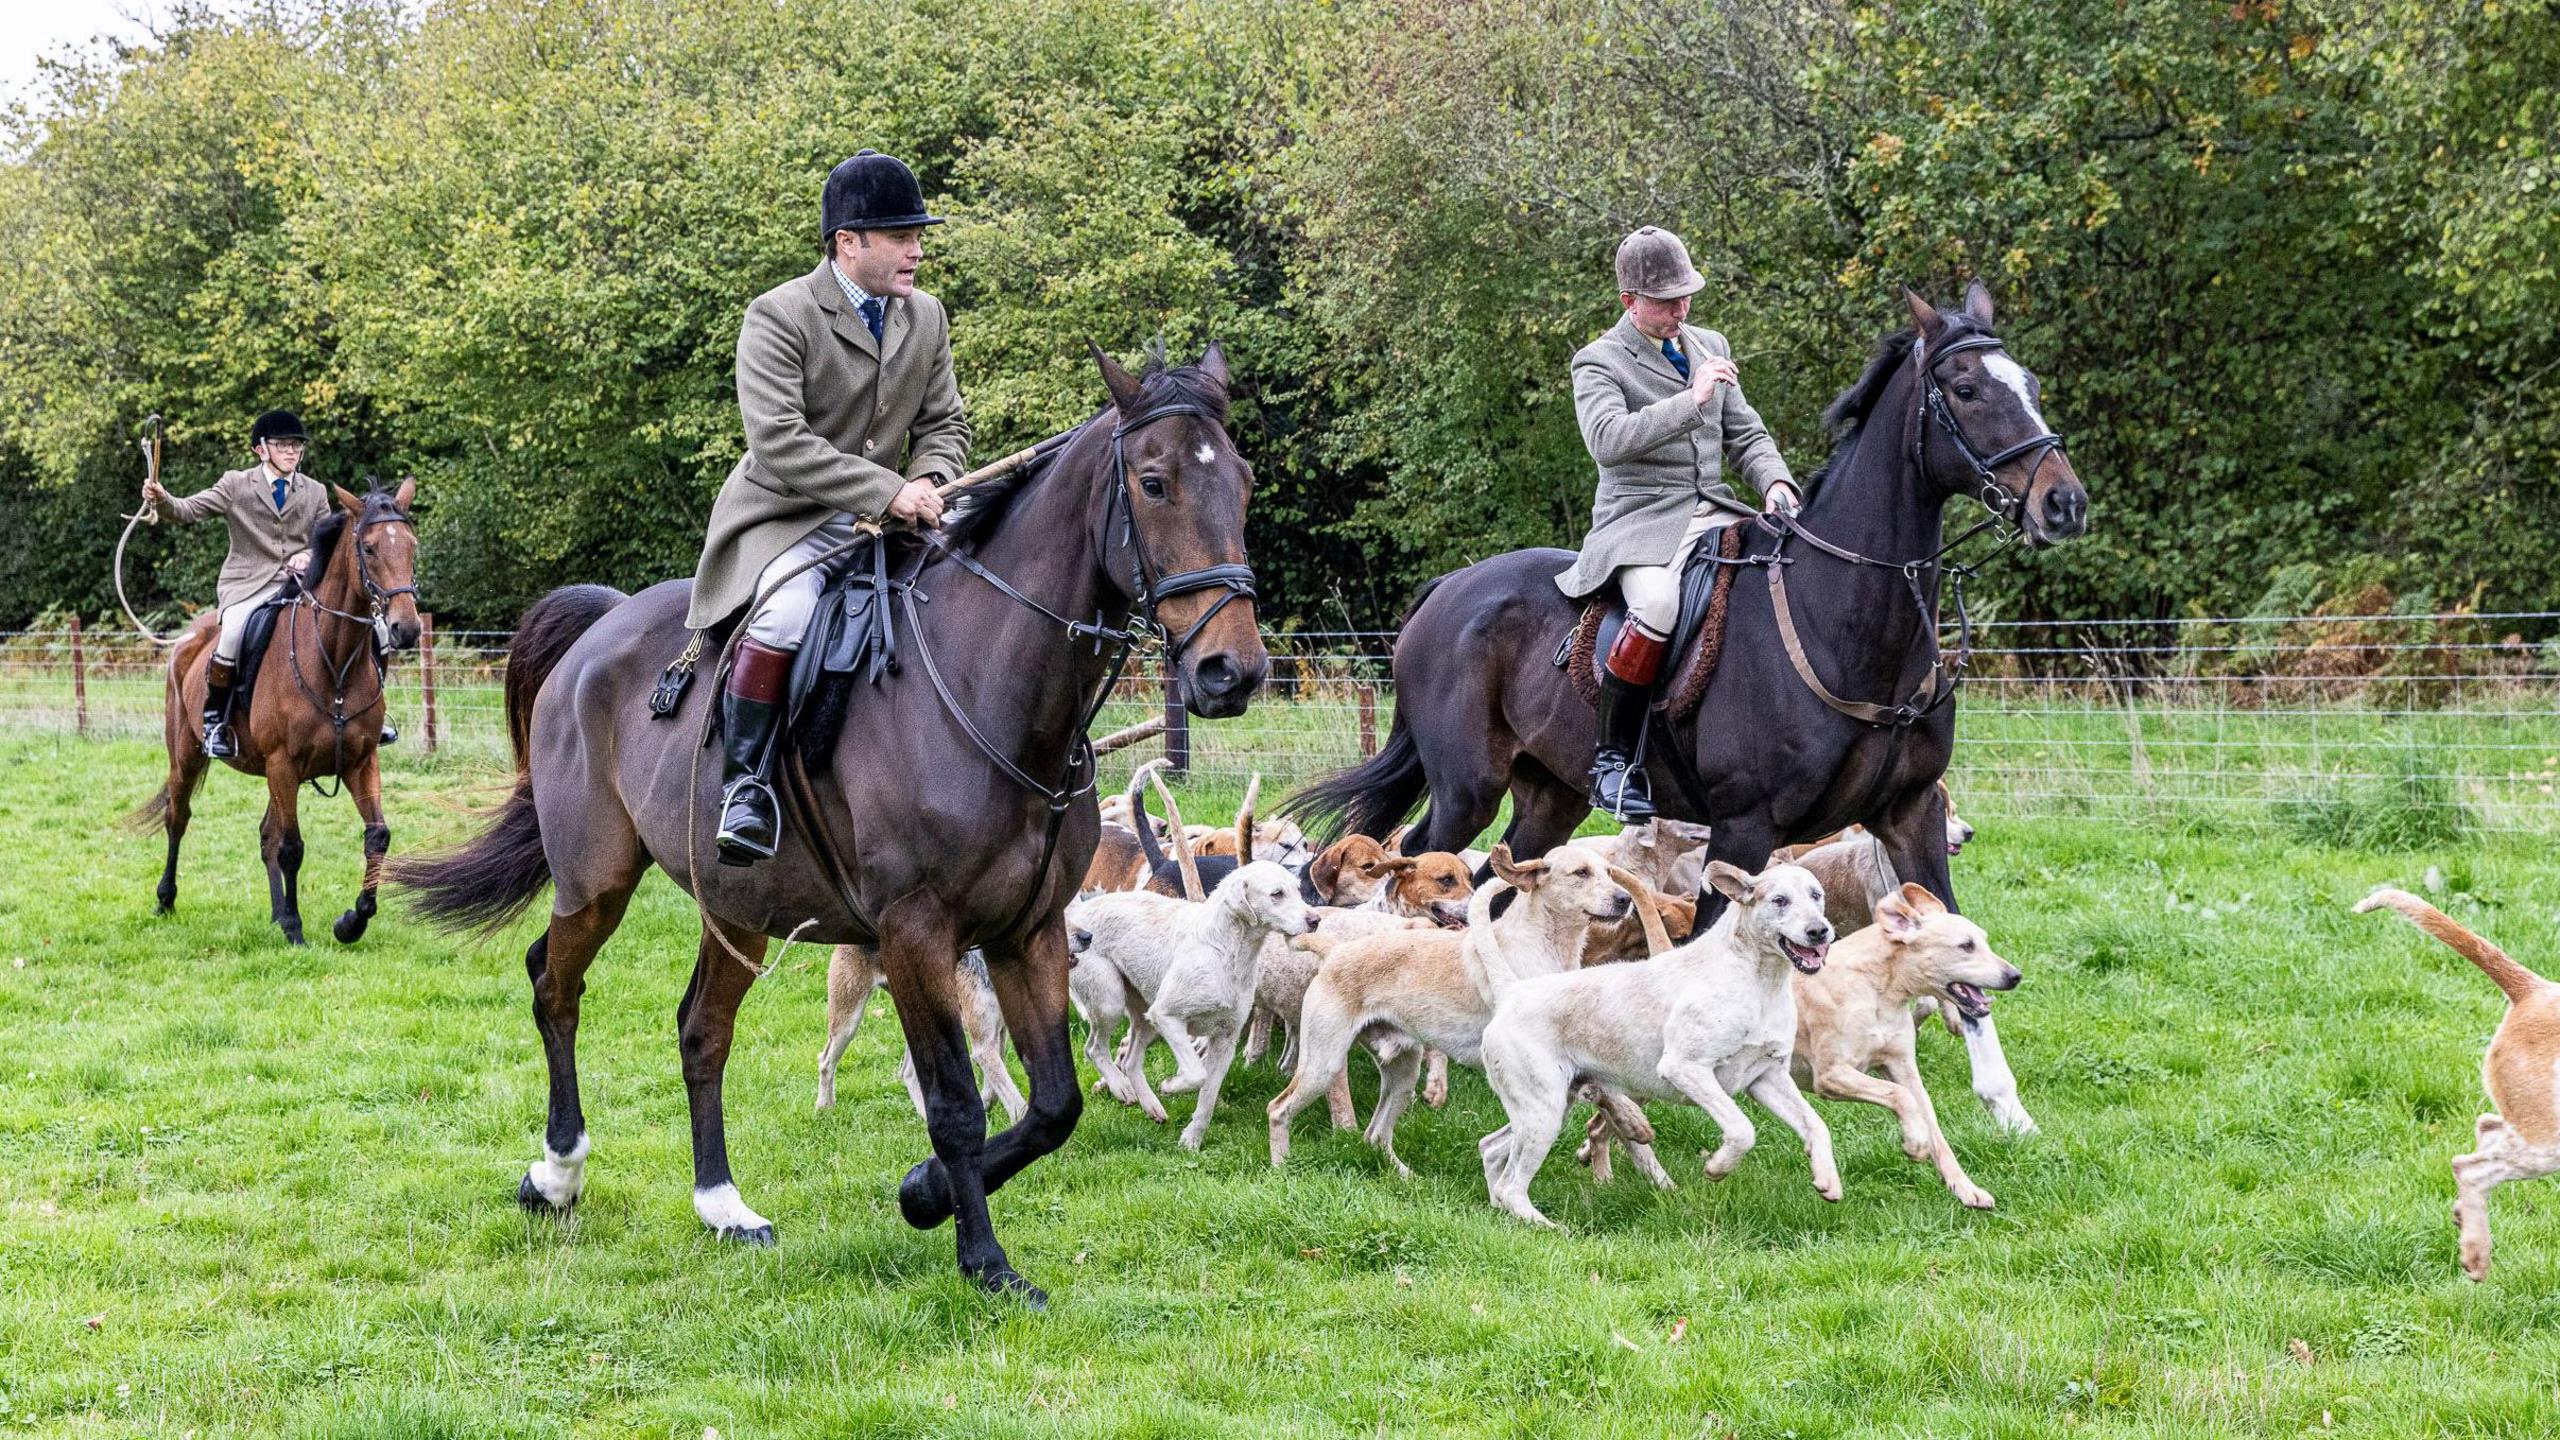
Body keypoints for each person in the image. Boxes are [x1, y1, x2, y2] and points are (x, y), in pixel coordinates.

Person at [686, 149, 971, 865]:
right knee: (785, 613)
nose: (917, 250)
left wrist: (932, 478)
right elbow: (779, 443)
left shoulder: (926, 317)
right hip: (789, 515)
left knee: (981, 578)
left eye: (918, 235)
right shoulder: (778, 315)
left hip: (898, 514)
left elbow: (945, 424)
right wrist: (886, 489)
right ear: (849, 243)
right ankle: (746, 786)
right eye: (901, 236)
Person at [1554, 226, 1801, 821]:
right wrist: (1690, 400)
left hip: (1716, 507)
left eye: (1685, 295)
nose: (1680, 310)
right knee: (1659, 605)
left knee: (1783, 572)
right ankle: (1612, 763)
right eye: (1666, 301)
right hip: (1638, 521)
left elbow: (1744, 432)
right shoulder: (1598, 362)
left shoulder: (1707, 342)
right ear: (1628, 302)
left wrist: (1775, 481)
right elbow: (1609, 441)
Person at [142, 410, 334, 759]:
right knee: (231, 633)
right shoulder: (236, 484)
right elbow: (188, 510)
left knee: (369, 625)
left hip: (300, 582)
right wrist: (162, 499)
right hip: (249, 584)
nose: (291, 452)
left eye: (296, 446)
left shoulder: (316, 492)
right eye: (282, 445)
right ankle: (215, 719)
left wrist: (307, 554)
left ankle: (367, 714)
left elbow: (326, 539)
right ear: (260, 449)